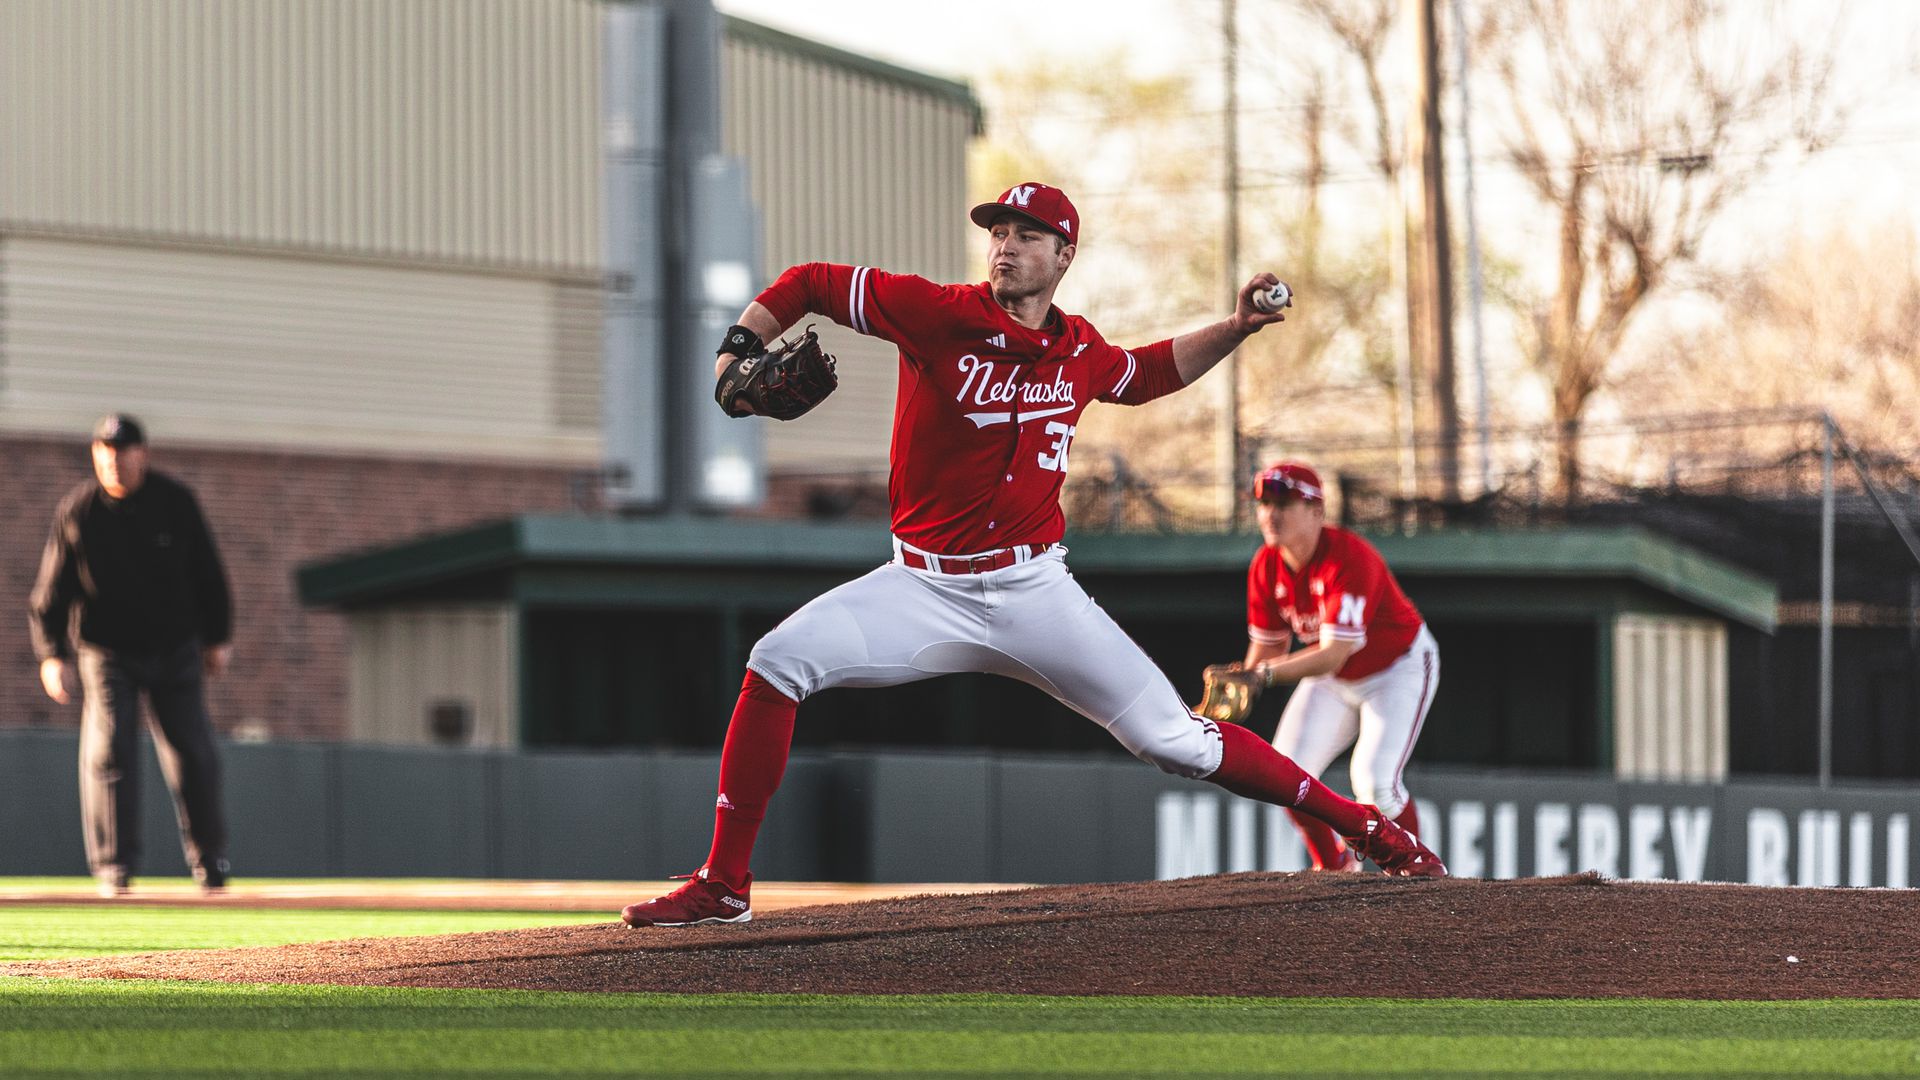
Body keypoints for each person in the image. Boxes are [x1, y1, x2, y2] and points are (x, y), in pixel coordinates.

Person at [621, 182, 1445, 927]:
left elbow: (1149, 372)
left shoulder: (1078, 348)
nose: (1006, 245)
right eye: (998, 230)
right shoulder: (937, 311)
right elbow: (810, 283)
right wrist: (737, 345)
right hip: (921, 586)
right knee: (777, 662)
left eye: (1027, 233)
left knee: (1178, 742)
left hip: (1032, 590)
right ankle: (725, 885)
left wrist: (1236, 327)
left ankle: (1367, 827)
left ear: (1063, 256)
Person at [29, 414, 234, 897]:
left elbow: (209, 575)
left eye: (123, 452)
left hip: (174, 645)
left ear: (143, 454)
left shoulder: (174, 502)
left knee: (192, 751)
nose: (114, 461)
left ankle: (211, 860)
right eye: (104, 453)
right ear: (95, 456)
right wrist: (51, 654)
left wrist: (217, 638)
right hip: (106, 651)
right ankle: (113, 868)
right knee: (109, 750)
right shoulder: (79, 510)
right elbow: (50, 592)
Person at [1220, 461, 1439, 872]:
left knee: (1377, 785)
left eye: (1284, 502)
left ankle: (1420, 873)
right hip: (1333, 679)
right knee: (1282, 775)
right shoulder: (1266, 566)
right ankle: (1334, 866)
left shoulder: (1348, 558)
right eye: (1264, 502)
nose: (1270, 513)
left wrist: (1262, 675)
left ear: (1317, 511)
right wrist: (1243, 679)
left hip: (1396, 668)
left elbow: (1335, 650)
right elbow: (1266, 648)